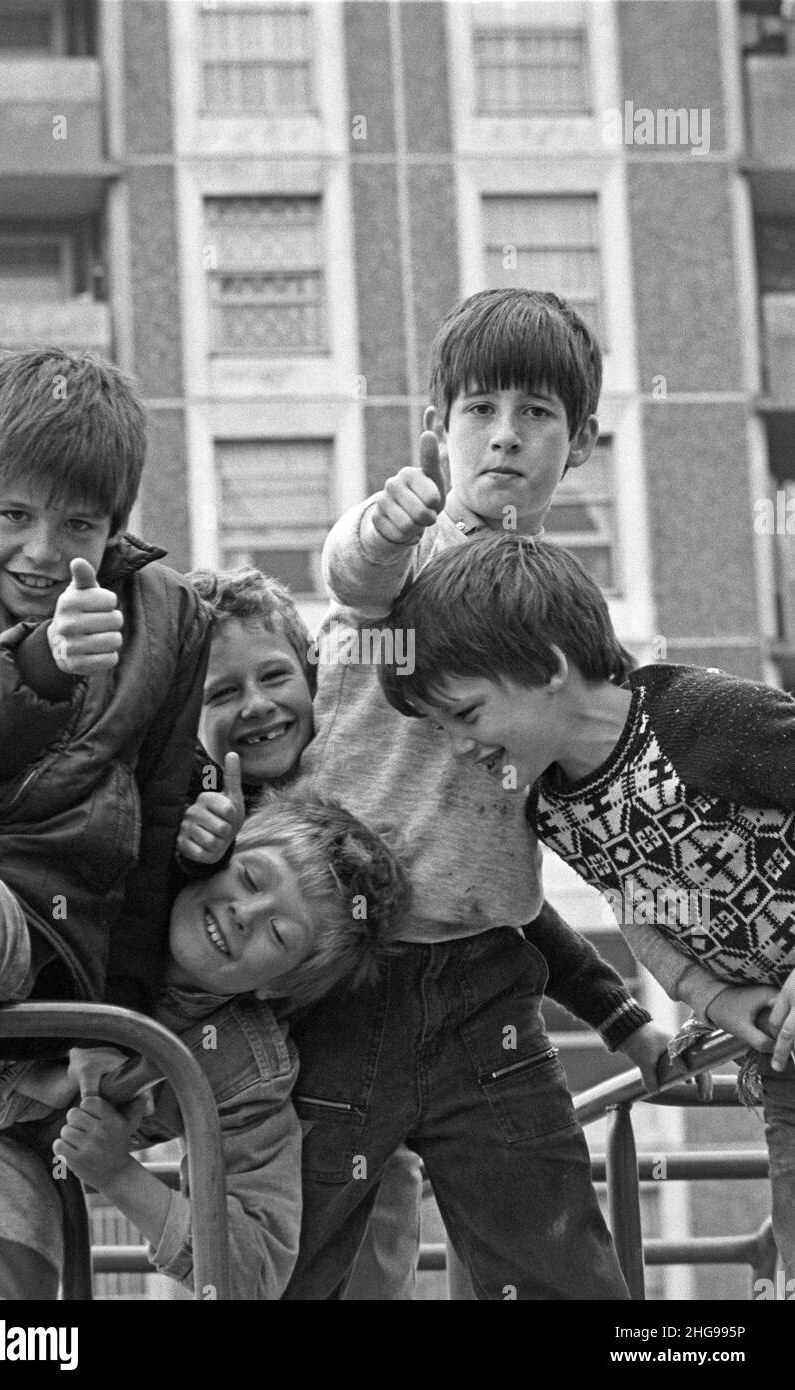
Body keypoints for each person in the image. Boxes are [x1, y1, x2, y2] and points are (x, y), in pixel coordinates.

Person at [279, 288, 671, 1301]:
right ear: (436, 430)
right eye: (479, 410)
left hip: (484, 990)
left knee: (564, 1271)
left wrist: (630, 1013)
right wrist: (387, 520)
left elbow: (588, 843)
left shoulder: (567, 626)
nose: (505, 436)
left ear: (578, 440)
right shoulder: (406, 562)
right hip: (345, 976)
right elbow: (352, 570)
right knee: (303, 1270)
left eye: (535, 414)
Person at [176, 564, 663, 1299]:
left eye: (275, 677)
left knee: (545, 1259)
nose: (257, 706)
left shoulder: (362, 767)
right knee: (294, 1264)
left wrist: (620, 1016)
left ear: (314, 674)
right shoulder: (202, 814)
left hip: (466, 1018)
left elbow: (501, 908)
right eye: (221, 693)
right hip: (321, 1052)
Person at [379, 530, 795, 1277]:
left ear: (548, 668)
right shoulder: (553, 805)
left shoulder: (701, 719)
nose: (456, 748)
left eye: (466, 716)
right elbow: (635, 906)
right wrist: (712, 994)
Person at [0, 789, 409, 1299]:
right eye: (249, 878)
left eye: (281, 935)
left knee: (14, 1344)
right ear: (212, 856)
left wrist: (117, 1174)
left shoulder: (243, 1068)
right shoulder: (115, 868)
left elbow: (254, 1273)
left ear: (279, 986)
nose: (246, 913)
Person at [0, 347, 211, 1022]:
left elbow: (159, 812)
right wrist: (40, 666)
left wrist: (122, 1022)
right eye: (15, 516)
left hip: (38, 939)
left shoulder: (169, 618)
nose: (45, 552)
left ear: (116, 525)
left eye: (78, 524)